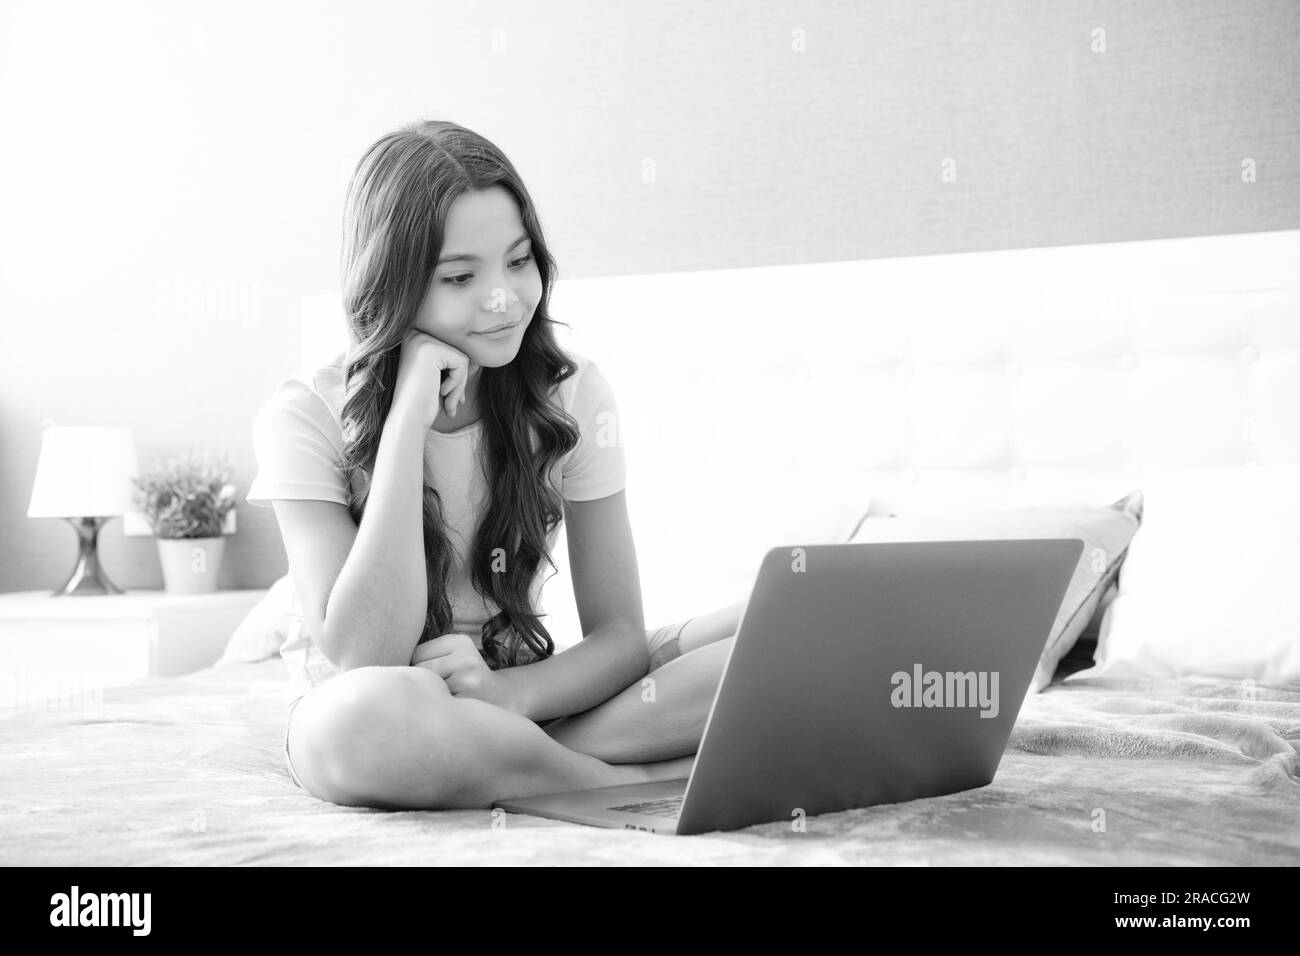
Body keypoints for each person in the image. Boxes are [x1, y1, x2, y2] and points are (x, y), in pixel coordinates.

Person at [245, 119, 744, 810]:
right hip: (393, 709)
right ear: (393, 285)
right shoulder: (303, 415)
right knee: (358, 721)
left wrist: (508, 694)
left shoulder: (571, 394)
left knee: (784, 625)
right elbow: (364, 653)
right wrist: (405, 426)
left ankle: (541, 764)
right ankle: (620, 782)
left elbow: (620, 637)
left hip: (528, 695)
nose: (504, 298)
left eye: (518, 261)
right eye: (460, 276)